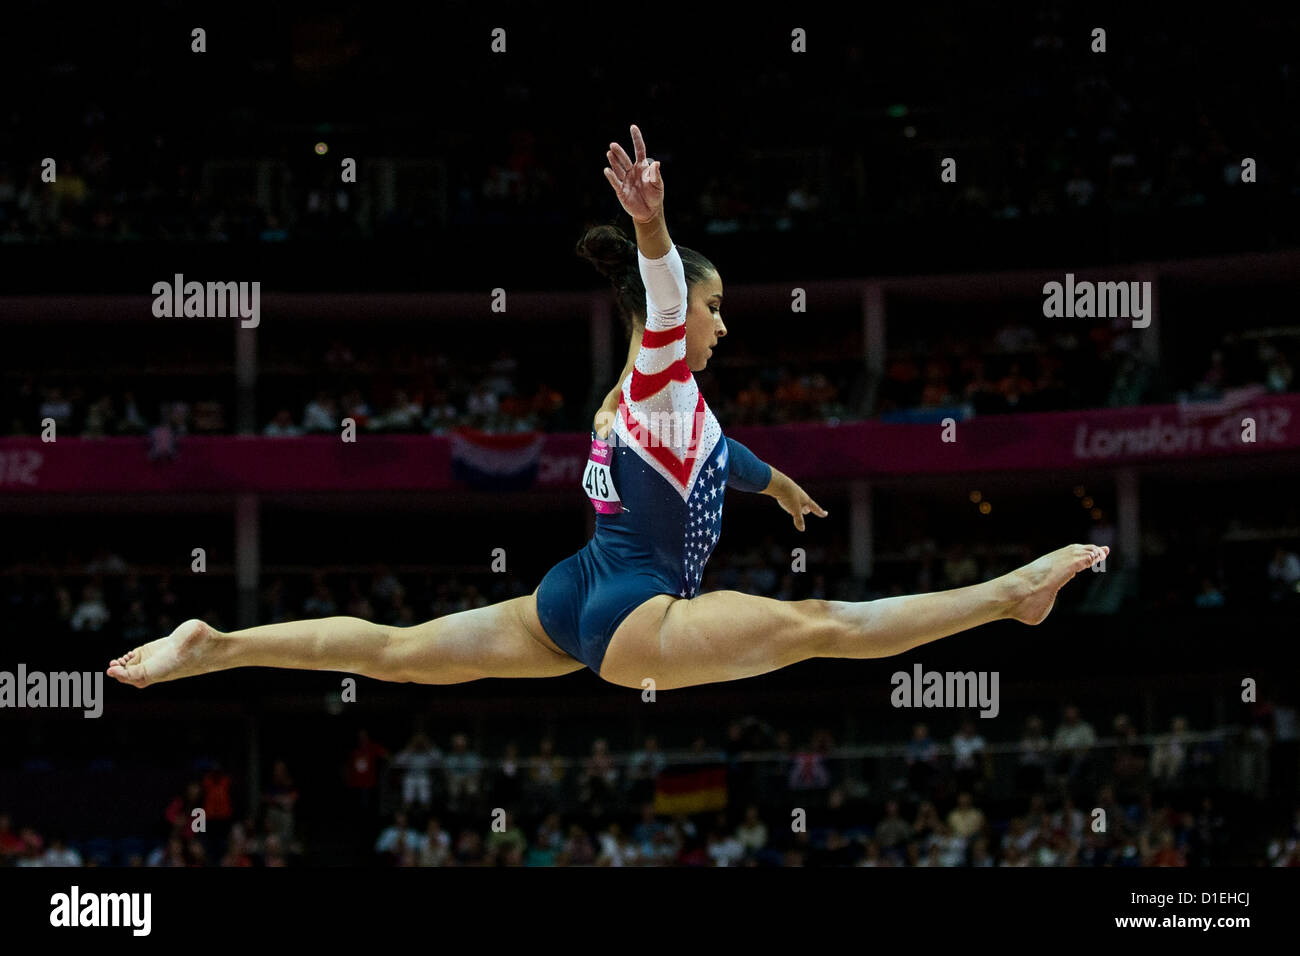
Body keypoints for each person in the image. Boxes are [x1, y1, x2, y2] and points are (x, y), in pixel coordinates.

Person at [106, 124, 1108, 694]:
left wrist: (783, 486)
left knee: (397, 650)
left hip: (568, 594)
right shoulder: (657, 371)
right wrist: (654, 222)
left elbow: (722, 449)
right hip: (634, 607)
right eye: (719, 307)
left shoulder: (645, 407)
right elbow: (667, 295)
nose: (721, 323)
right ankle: (1010, 592)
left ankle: (221, 645)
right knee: (827, 625)